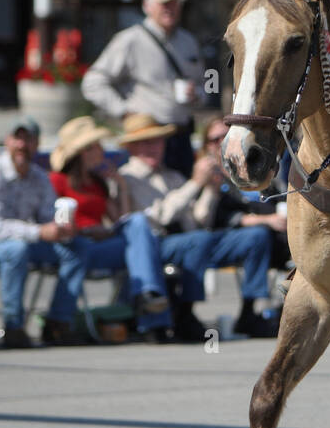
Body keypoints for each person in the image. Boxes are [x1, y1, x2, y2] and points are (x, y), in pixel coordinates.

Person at [117, 114, 278, 338]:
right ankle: (186, 311)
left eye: (157, 141)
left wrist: (210, 190)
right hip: (154, 245)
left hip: (190, 240)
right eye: (146, 142)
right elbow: (159, 217)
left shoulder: (171, 176)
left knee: (255, 237)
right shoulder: (128, 177)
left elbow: (197, 221)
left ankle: (250, 310)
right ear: (132, 148)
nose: (153, 147)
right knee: (198, 241)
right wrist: (195, 184)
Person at [0, 117, 84, 347]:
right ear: (7, 141)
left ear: (37, 144)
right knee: (16, 249)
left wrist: (61, 228)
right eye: (18, 139)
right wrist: (39, 231)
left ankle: (58, 322)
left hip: (21, 241)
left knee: (76, 248)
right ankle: (13, 325)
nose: (22, 145)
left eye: (29, 139)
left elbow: (46, 217)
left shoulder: (38, 177)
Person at [48, 116, 172, 339]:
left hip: (103, 244)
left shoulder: (98, 183)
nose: (102, 151)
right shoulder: (58, 180)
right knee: (145, 243)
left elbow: (121, 219)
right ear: (82, 152)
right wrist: (86, 231)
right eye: (96, 147)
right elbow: (53, 222)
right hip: (77, 245)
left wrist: (121, 185)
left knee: (138, 225)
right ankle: (149, 308)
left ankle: (146, 295)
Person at [82, 0, 206, 178]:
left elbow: (206, 85)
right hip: (147, 140)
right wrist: (124, 111)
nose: (170, 8)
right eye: (163, 3)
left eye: (175, 2)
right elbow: (93, 83)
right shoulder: (130, 40)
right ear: (147, 5)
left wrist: (198, 94)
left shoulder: (188, 41)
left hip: (182, 136)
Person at [199, 116, 291, 271]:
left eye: (225, 136)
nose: (222, 142)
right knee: (259, 235)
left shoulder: (255, 167)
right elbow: (221, 218)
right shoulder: (209, 175)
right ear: (207, 146)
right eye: (215, 139)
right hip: (235, 234)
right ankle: (254, 294)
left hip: (275, 228)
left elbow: (279, 196)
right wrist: (267, 220)